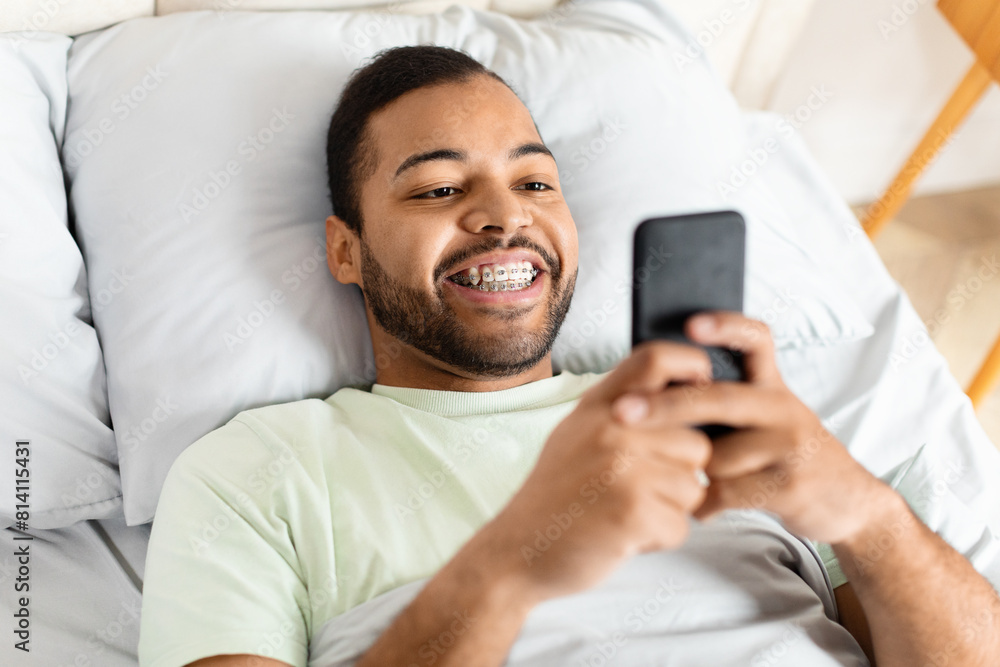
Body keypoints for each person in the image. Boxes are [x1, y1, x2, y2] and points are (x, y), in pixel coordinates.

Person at [138, 45, 1000, 667]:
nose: (504, 215)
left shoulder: (732, 423)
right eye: (439, 188)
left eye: (536, 181)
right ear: (345, 251)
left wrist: (866, 516)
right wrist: (508, 568)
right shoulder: (253, 471)